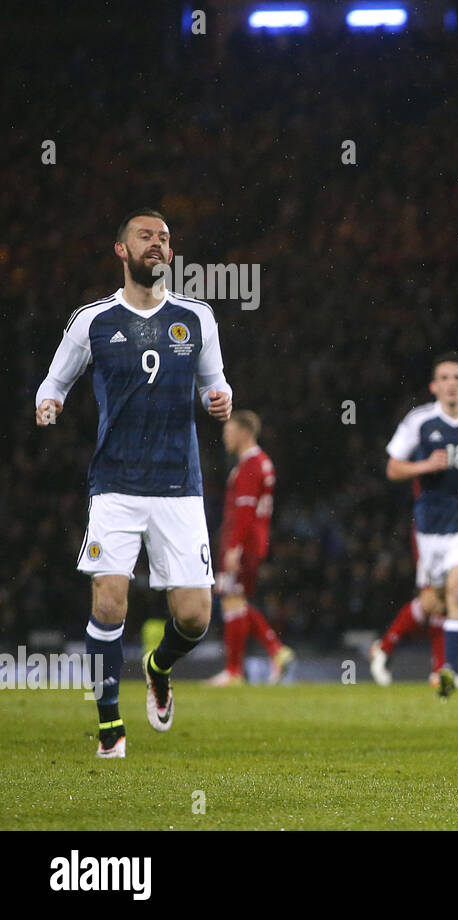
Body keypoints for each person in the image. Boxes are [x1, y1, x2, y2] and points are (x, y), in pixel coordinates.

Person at [35, 208, 232, 758]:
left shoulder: (197, 318)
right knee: (110, 603)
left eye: (164, 238)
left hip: (179, 485)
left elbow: (216, 386)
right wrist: (48, 401)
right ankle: (109, 729)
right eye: (145, 236)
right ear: (121, 250)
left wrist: (221, 400)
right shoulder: (92, 320)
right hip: (116, 485)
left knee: (194, 616)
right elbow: (55, 380)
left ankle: (158, 666)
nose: (156, 244)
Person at [374, 354, 458, 696]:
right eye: (445, 377)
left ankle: (449, 672)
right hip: (431, 527)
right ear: (434, 386)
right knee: (432, 602)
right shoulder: (420, 421)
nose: (452, 383)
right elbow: (393, 468)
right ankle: (384, 648)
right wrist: (425, 466)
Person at [206, 410, 294, 685]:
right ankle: (276, 651)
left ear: (245, 432)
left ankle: (233, 671)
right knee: (238, 601)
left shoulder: (250, 465)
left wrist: (233, 547)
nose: (224, 438)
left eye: (229, 432)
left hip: (243, 543)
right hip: (254, 542)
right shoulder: (262, 462)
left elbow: (244, 511)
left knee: (232, 601)